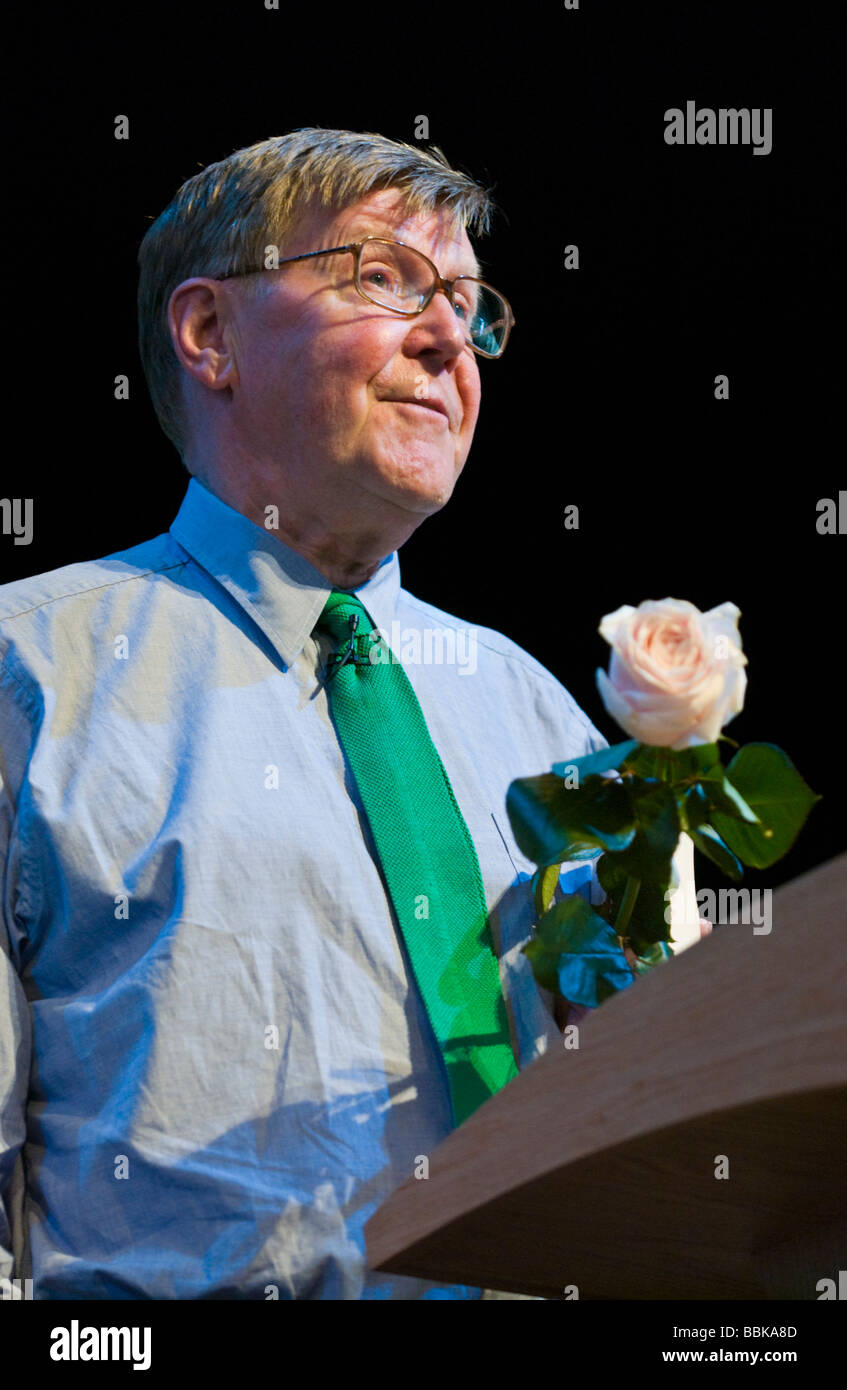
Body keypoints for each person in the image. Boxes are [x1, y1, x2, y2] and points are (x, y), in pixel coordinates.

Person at [0, 128, 610, 1301]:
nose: (448, 340)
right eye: (385, 279)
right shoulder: (28, 672)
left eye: (473, 308)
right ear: (209, 334)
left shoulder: (539, 713)